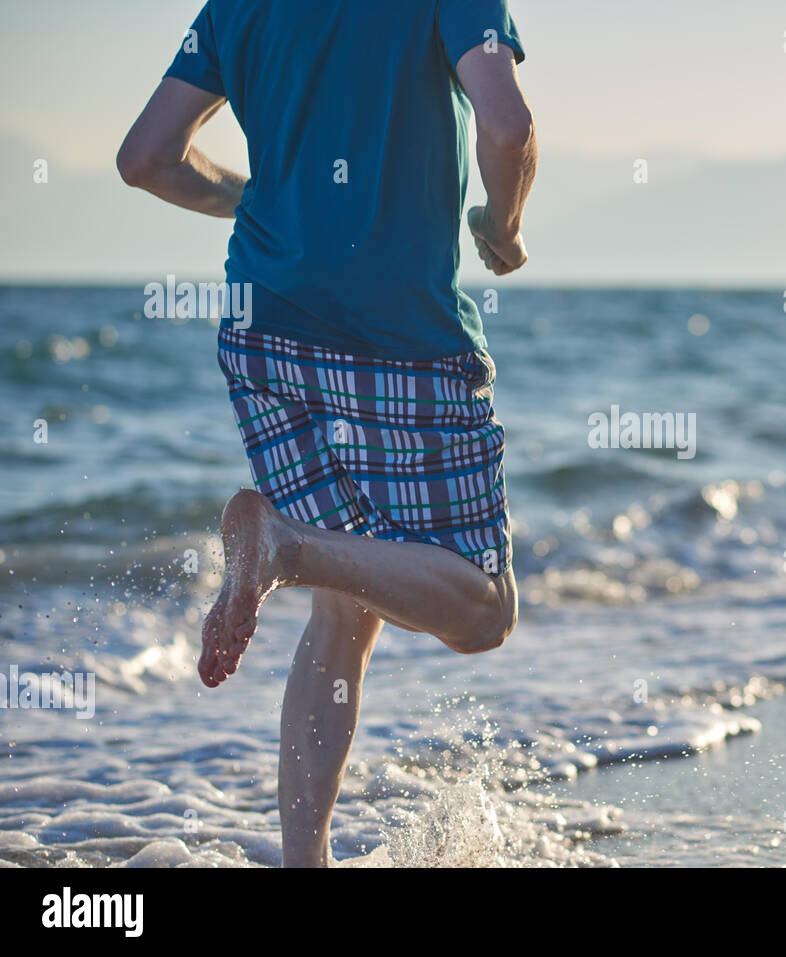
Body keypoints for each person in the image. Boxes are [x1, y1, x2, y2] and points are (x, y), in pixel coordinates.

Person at [116, 0, 537, 867]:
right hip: (400, 341)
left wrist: (258, 196)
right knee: (483, 607)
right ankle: (285, 547)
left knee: (347, 609)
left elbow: (146, 158)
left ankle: (305, 865)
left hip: (263, 330)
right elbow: (506, 122)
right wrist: (504, 224)